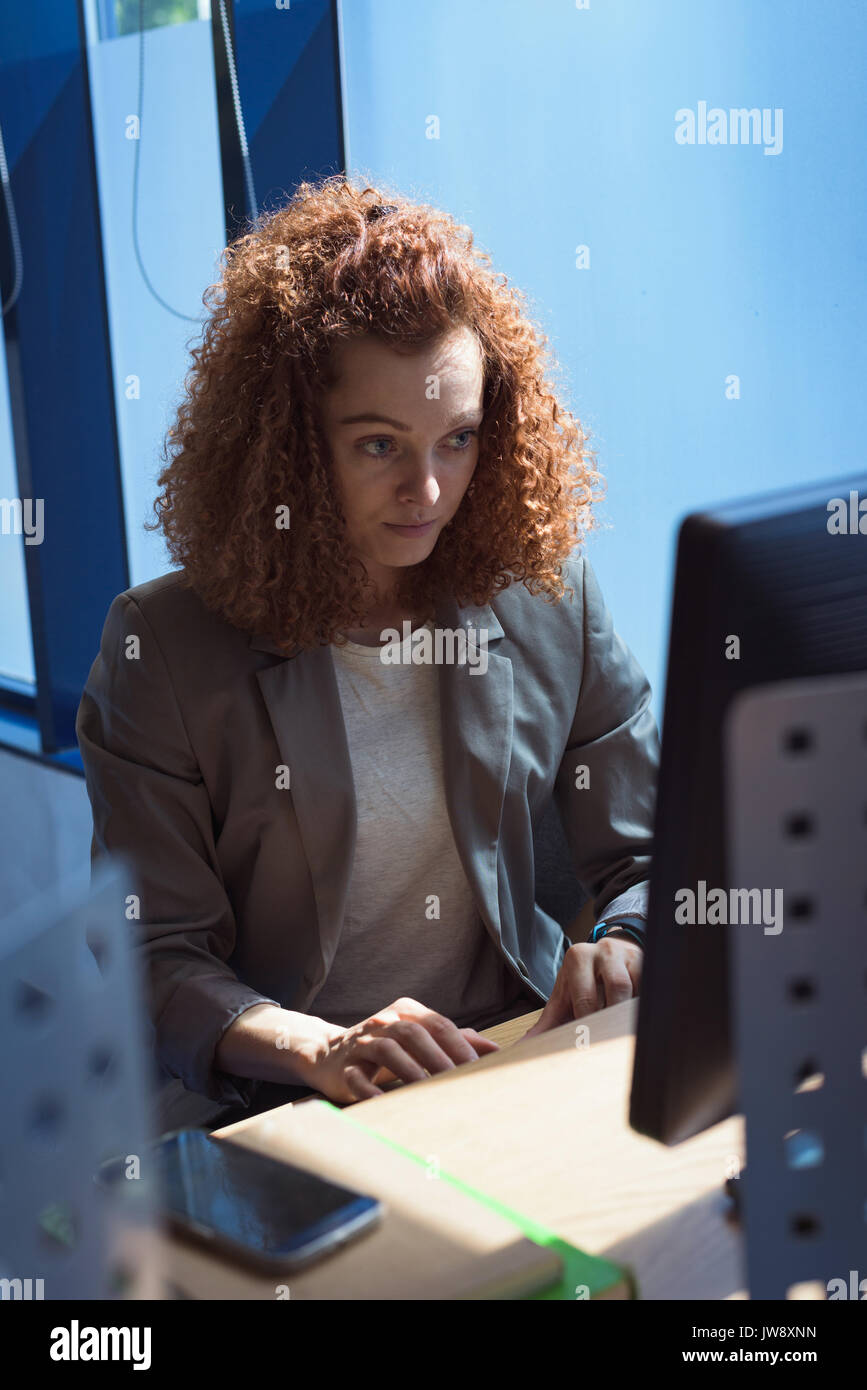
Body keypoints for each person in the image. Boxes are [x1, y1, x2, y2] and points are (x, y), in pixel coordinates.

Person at [76, 175, 660, 1133]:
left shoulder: (551, 600)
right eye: (379, 445)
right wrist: (315, 1044)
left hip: (510, 1064)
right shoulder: (164, 650)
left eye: (459, 439)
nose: (428, 490)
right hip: (286, 1103)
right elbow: (153, 953)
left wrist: (628, 940)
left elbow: (659, 850)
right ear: (293, 447)